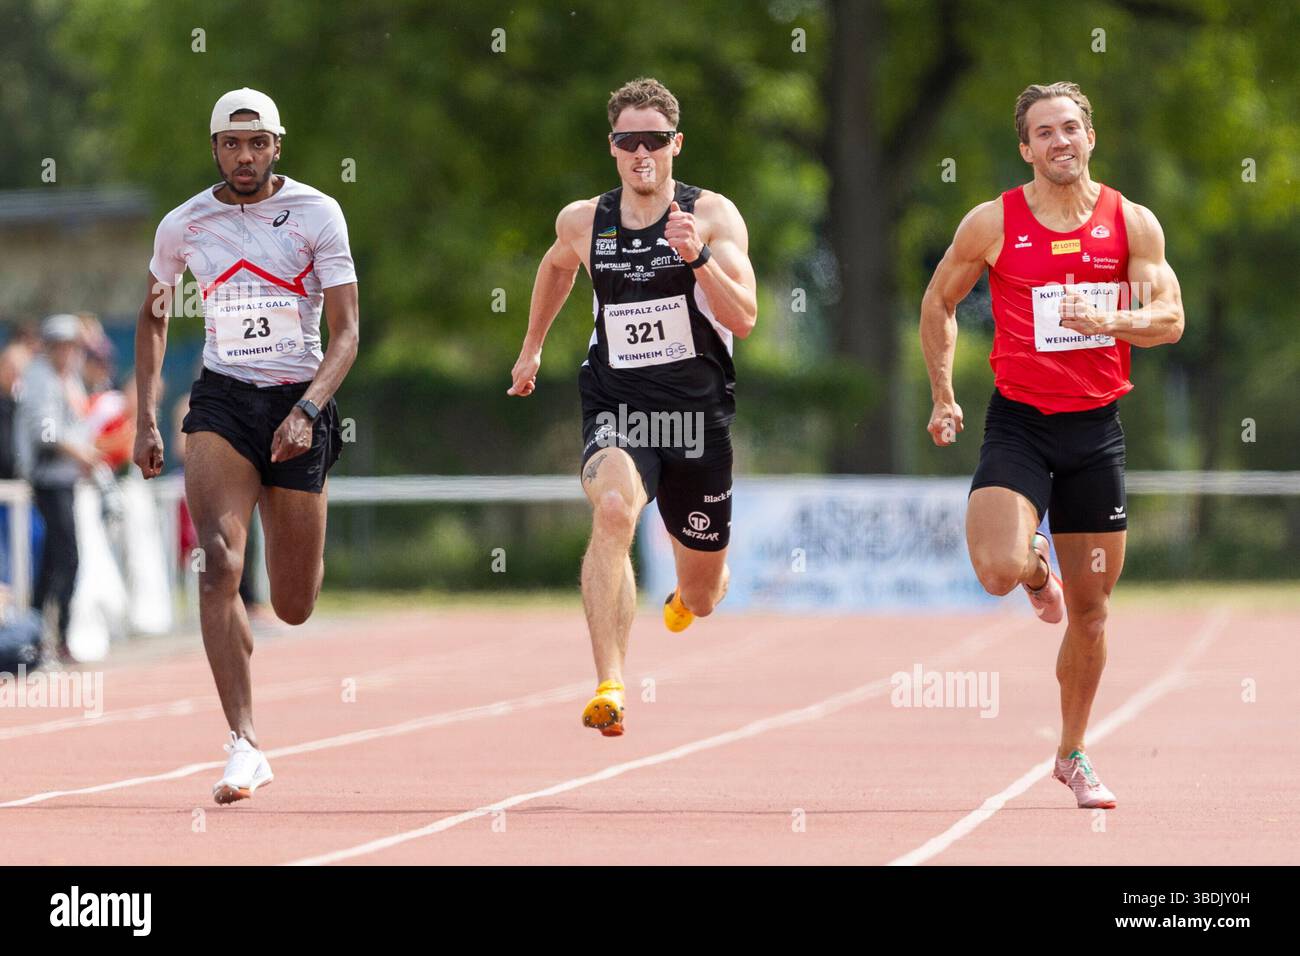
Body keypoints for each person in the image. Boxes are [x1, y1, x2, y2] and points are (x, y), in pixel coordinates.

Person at [919, 82, 1184, 808]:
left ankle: (1072, 752)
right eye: (1044, 132)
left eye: (1070, 128)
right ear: (1026, 148)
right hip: (1020, 422)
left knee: (1093, 614)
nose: (1059, 141)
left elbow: (1168, 319)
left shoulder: (1132, 223)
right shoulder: (992, 222)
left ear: (1090, 136)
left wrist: (1108, 324)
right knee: (1000, 569)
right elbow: (939, 301)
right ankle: (1038, 574)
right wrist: (944, 393)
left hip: (1095, 431)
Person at [508, 77, 757, 737]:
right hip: (618, 403)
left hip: (698, 419)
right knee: (615, 512)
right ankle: (610, 684)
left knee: (701, 598)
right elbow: (557, 265)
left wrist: (697, 258)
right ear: (612, 147)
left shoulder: (713, 217)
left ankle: (690, 590)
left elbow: (747, 316)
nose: (641, 152)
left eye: (654, 140)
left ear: (676, 144)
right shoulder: (584, 221)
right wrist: (532, 347)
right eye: (628, 141)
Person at [134, 88, 359, 804]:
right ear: (215, 150)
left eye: (257, 143)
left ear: (276, 147)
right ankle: (244, 741)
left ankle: (247, 632)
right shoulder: (184, 225)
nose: (244, 156)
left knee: (294, 603)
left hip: (300, 400)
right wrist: (145, 415)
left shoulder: (319, 213)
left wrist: (309, 407)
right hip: (223, 402)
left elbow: (350, 333)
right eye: (231, 145)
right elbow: (153, 315)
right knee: (218, 563)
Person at [14, 314, 100, 662]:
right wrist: (78, 450)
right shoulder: (41, 378)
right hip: (48, 479)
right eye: (63, 346)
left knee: (57, 559)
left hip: (66, 478)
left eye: (73, 346)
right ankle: (43, 637)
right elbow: (44, 432)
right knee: (63, 557)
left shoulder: (69, 378)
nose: (68, 353)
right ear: (51, 346)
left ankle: (50, 638)